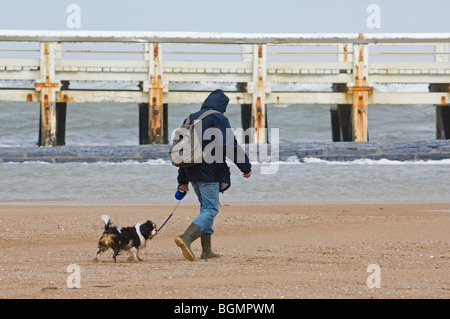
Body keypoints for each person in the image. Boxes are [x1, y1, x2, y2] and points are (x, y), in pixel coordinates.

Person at [175, 89, 252, 261]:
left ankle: (207, 251)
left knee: (206, 209)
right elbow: (229, 145)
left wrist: (183, 178)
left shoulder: (191, 118)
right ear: (222, 105)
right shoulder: (218, 118)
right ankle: (186, 237)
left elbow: (183, 150)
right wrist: (245, 166)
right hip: (209, 171)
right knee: (211, 209)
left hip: (191, 170)